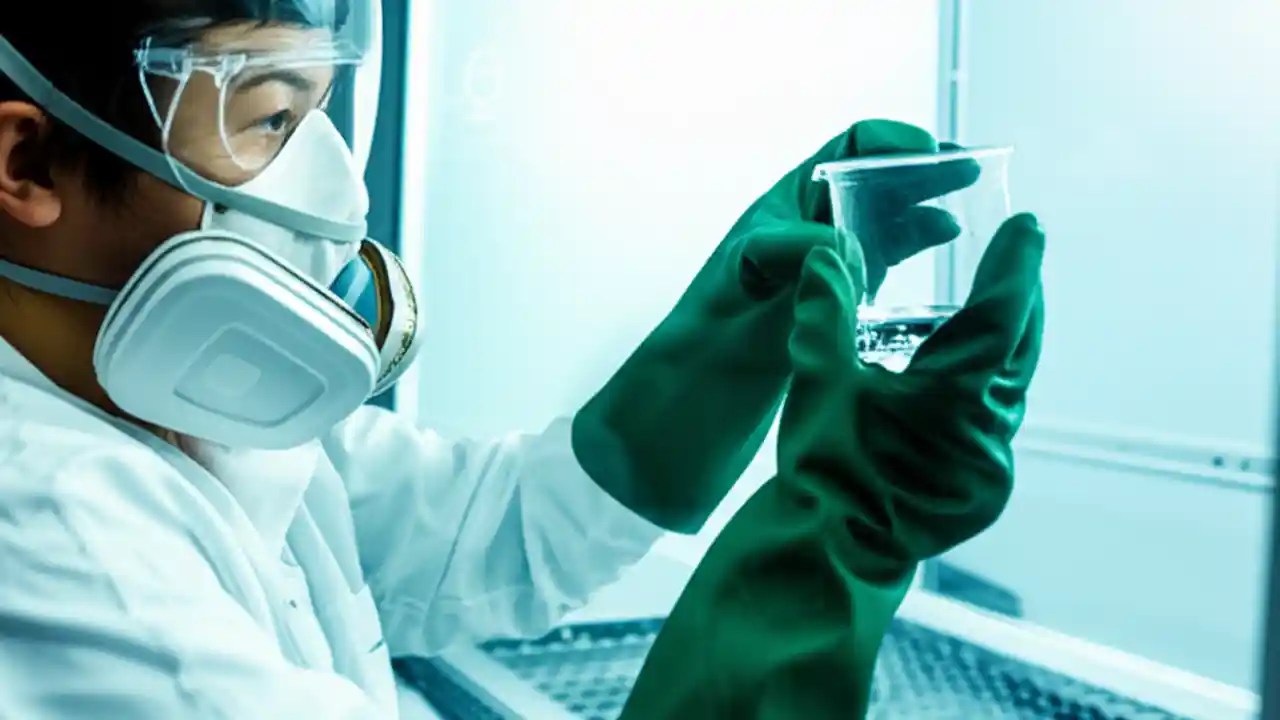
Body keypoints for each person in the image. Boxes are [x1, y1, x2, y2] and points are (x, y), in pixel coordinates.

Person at [0, 1, 1040, 718]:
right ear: (27, 162)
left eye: (323, 112)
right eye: (270, 118)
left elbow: (495, 530)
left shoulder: (193, 421)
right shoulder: (49, 526)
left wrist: (730, 337)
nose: (331, 189)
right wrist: (842, 531)